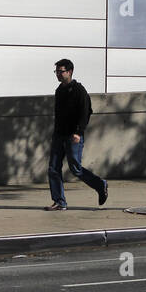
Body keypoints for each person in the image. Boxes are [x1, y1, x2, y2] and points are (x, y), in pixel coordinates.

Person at [46, 58, 108, 211]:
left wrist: (79, 132)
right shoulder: (59, 90)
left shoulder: (79, 91)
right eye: (57, 72)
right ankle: (60, 202)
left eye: (61, 71)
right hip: (59, 135)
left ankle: (100, 184)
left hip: (73, 136)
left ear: (70, 72)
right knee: (53, 168)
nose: (58, 75)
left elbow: (86, 112)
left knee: (75, 169)